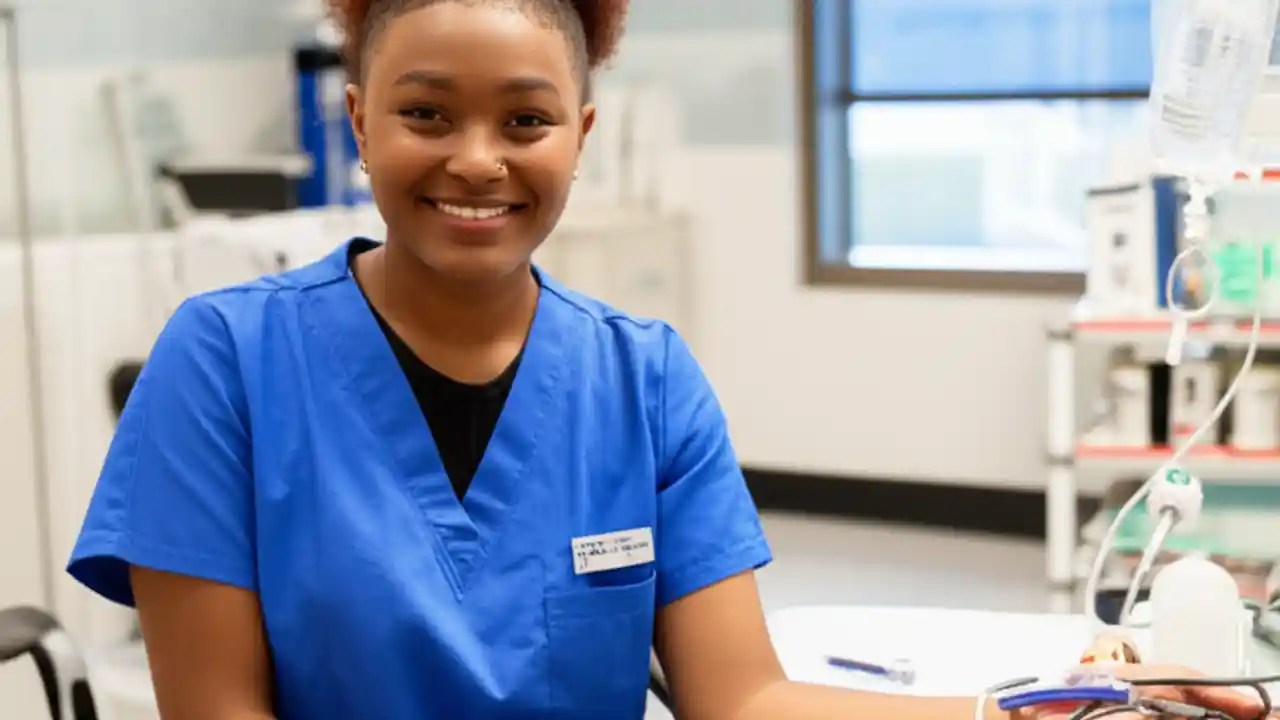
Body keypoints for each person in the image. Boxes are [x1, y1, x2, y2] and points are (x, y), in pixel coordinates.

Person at [65, 1, 1267, 718]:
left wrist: (1045, 711)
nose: (477, 159)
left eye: (525, 119)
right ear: (358, 122)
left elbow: (740, 698)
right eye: (425, 113)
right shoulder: (225, 360)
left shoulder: (640, 379)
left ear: (579, 135)